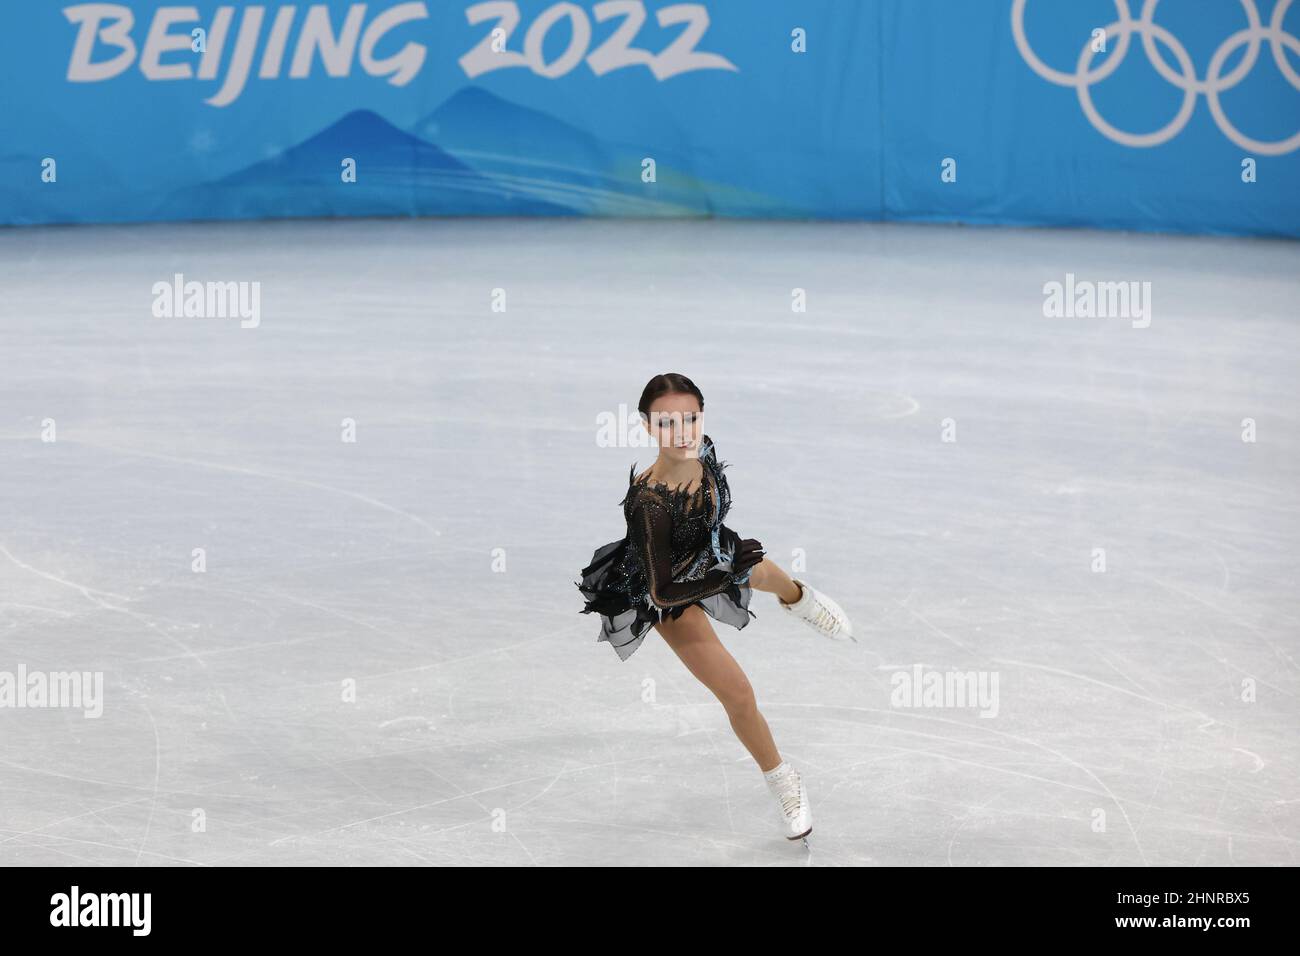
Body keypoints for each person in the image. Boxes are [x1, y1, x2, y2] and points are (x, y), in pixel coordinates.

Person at [575, 372, 854, 842]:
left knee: (767, 574)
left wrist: (725, 563)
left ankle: (802, 601)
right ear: (646, 427)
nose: (682, 431)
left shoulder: (701, 449)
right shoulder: (650, 503)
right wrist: (724, 575)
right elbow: (663, 592)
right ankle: (784, 780)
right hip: (663, 593)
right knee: (739, 695)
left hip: (707, 552)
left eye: (691, 418)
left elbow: (713, 523)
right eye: (667, 424)